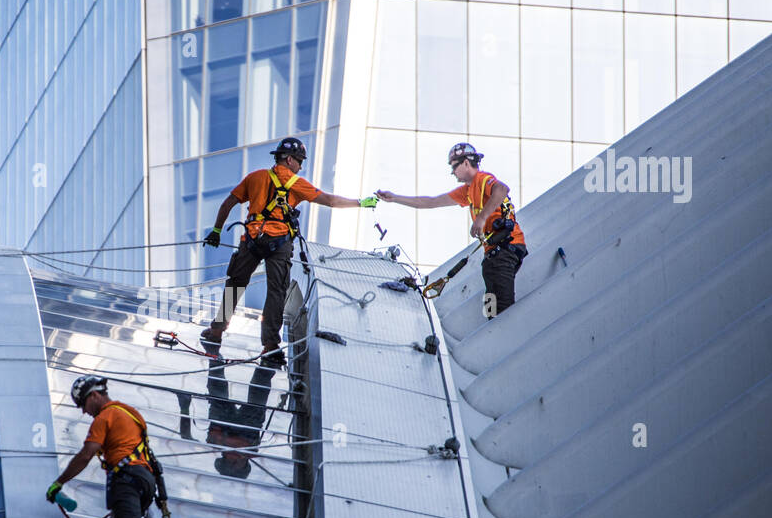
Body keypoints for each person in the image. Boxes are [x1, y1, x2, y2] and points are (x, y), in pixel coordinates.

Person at [200, 137, 379, 365]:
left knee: (235, 283)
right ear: (290, 159)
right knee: (276, 291)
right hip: (279, 241)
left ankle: (216, 331)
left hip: (252, 238)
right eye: (300, 161)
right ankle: (270, 345)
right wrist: (361, 203)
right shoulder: (296, 182)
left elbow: (227, 204)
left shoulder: (255, 177)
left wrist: (216, 231)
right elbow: (331, 201)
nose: (301, 166)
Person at [377, 142, 527, 317]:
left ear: (465, 163)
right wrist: (395, 198)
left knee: (501, 307)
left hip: (505, 249)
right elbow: (431, 202)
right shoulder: (468, 191)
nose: (452, 171)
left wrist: (481, 218)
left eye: (454, 166)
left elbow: (502, 189)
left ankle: (501, 329)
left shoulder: (482, 179)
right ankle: (493, 323)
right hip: (497, 253)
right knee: (491, 299)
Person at [47, 375, 165, 518]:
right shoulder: (129, 412)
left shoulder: (105, 417)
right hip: (144, 480)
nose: (84, 411)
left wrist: (59, 482)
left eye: (83, 404)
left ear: (94, 395)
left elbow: (85, 455)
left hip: (127, 478)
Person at [177, 361, 278, 480]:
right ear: (245, 464)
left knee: (218, 395)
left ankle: (214, 358)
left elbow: (186, 436)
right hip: (247, 422)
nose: (232, 461)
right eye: (234, 465)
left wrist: (184, 408)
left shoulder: (217, 446)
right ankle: (268, 362)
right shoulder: (252, 452)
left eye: (229, 463)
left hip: (223, 419)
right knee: (258, 397)